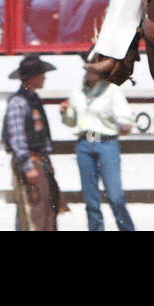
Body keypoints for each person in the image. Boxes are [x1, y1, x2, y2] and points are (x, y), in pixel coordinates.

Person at [60, 61, 135, 231]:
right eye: (88, 70)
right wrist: (65, 114)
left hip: (106, 142)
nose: (89, 73)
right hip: (84, 143)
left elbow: (125, 119)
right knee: (91, 198)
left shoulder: (112, 91)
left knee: (115, 195)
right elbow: (72, 121)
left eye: (94, 71)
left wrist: (123, 125)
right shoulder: (77, 91)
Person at [3, 54, 61, 231]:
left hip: (39, 161)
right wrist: (28, 167)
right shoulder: (19, 102)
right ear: (33, 77)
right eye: (42, 74)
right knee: (31, 212)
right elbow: (17, 138)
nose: (44, 77)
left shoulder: (32, 99)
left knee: (44, 212)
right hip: (31, 162)